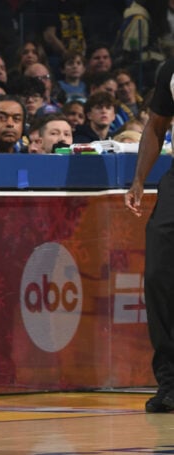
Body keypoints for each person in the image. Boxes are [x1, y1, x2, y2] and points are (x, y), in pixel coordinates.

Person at [125, 58, 174, 413]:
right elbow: (157, 126)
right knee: (159, 274)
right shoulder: (170, 68)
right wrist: (139, 180)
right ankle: (169, 382)